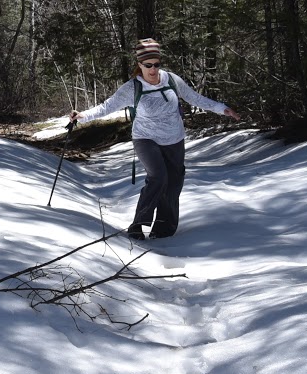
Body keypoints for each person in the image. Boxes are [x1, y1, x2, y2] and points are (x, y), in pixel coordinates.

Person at [68, 39, 240, 241]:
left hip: (174, 138)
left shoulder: (172, 80)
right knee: (158, 177)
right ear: (139, 65)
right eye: (148, 65)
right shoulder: (132, 88)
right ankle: (138, 225)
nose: (152, 69)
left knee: (174, 182)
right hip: (145, 138)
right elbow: (107, 106)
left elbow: (195, 98)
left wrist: (221, 108)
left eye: (156, 64)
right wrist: (83, 116)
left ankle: (164, 229)